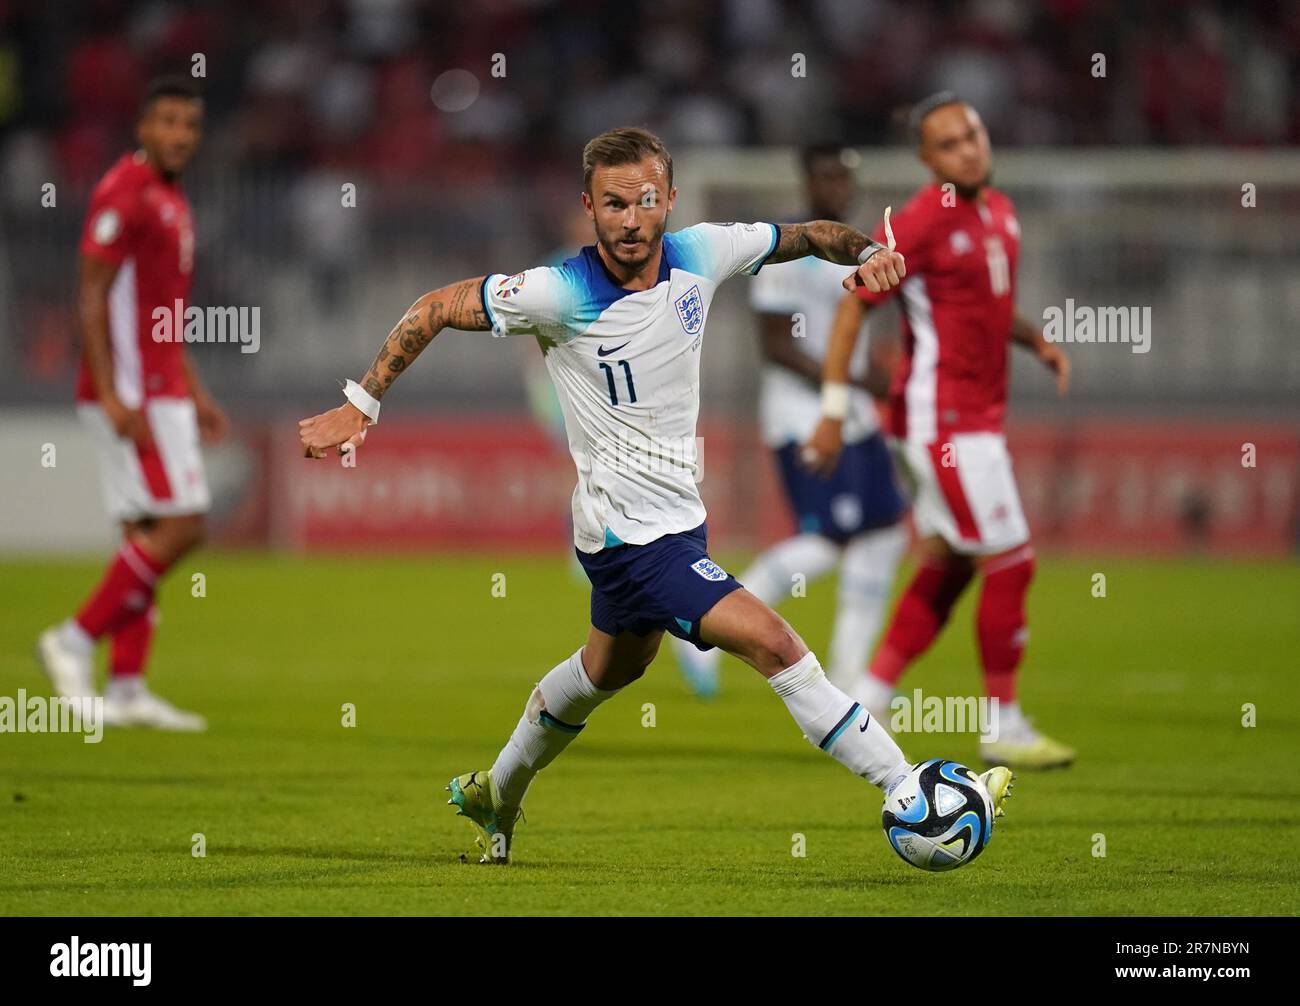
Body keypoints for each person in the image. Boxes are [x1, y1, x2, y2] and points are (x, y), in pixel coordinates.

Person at [298, 126, 1012, 863]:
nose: (631, 219)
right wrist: (363, 403)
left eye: (644, 201)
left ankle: (496, 795)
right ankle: (907, 790)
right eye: (613, 204)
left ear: (669, 198)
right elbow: (436, 305)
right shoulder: (558, 292)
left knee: (602, 674)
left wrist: (867, 252)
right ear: (589, 207)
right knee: (775, 644)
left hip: (674, 525)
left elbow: (806, 236)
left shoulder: (703, 251)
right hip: (631, 539)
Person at [804, 94, 1075, 770]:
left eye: (973, 134)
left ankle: (867, 694)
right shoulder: (920, 220)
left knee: (952, 563)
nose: (969, 149)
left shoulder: (1000, 212)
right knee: (1012, 560)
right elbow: (851, 315)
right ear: (928, 161)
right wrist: (834, 409)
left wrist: (1036, 339)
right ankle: (1004, 725)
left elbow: (986, 306)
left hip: (973, 417)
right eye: (950, 144)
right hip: (940, 422)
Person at [672, 144, 908, 700]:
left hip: (852, 414)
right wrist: (850, 380)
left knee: (888, 531)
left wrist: (867, 377)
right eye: (824, 176)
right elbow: (777, 348)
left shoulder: (860, 251)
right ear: (807, 181)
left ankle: (855, 683)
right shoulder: (788, 257)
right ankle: (702, 617)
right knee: (828, 539)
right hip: (803, 418)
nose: (836, 186)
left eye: (843, 175)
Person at [37, 75, 224, 731]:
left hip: (164, 388)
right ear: (143, 128)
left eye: (189, 124)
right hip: (134, 394)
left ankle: (125, 686)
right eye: (167, 121)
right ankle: (74, 637)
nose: (179, 134)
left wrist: (197, 391)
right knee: (185, 526)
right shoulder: (124, 191)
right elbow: (89, 293)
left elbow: (162, 314)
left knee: (144, 533)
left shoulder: (171, 199)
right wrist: (111, 389)